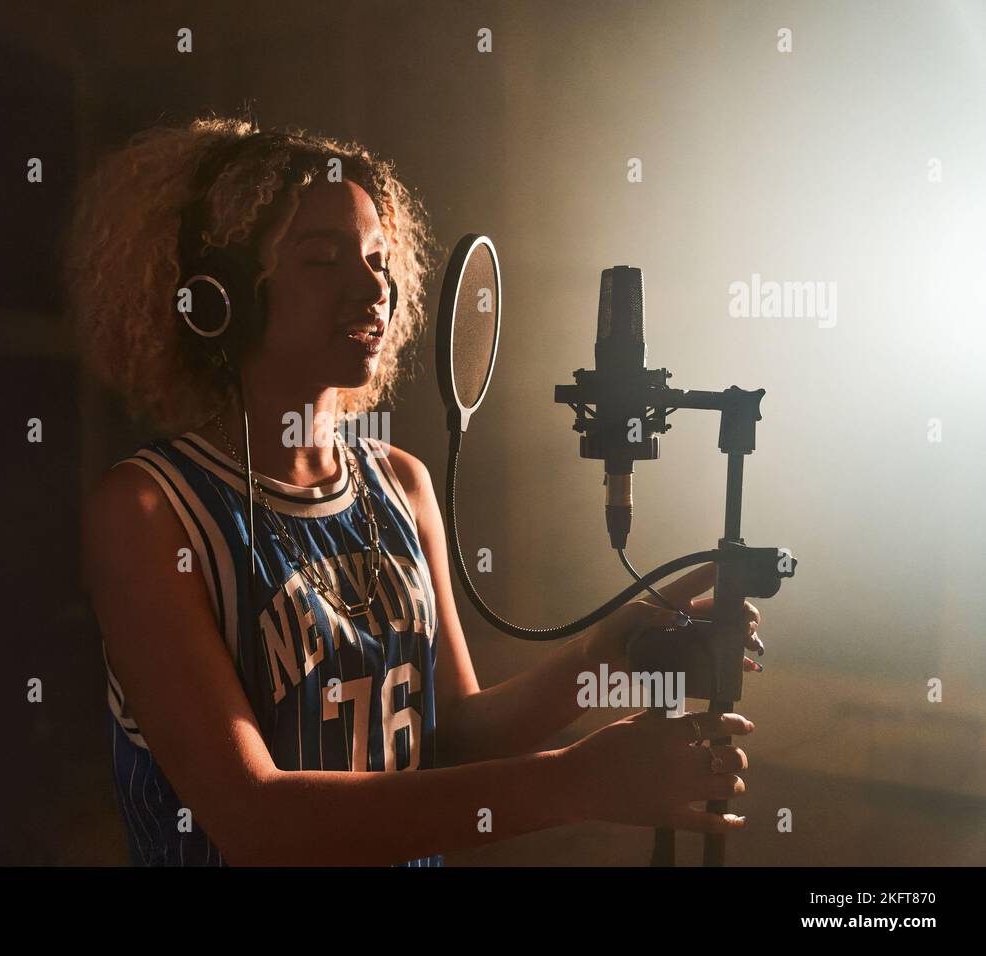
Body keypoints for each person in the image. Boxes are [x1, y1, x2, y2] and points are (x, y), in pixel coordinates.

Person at [64, 114, 766, 867]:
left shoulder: (399, 482)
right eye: (322, 259)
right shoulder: (149, 512)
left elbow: (454, 734)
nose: (375, 286)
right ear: (219, 295)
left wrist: (614, 653)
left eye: (375, 257)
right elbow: (257, 820)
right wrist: (576, 782)